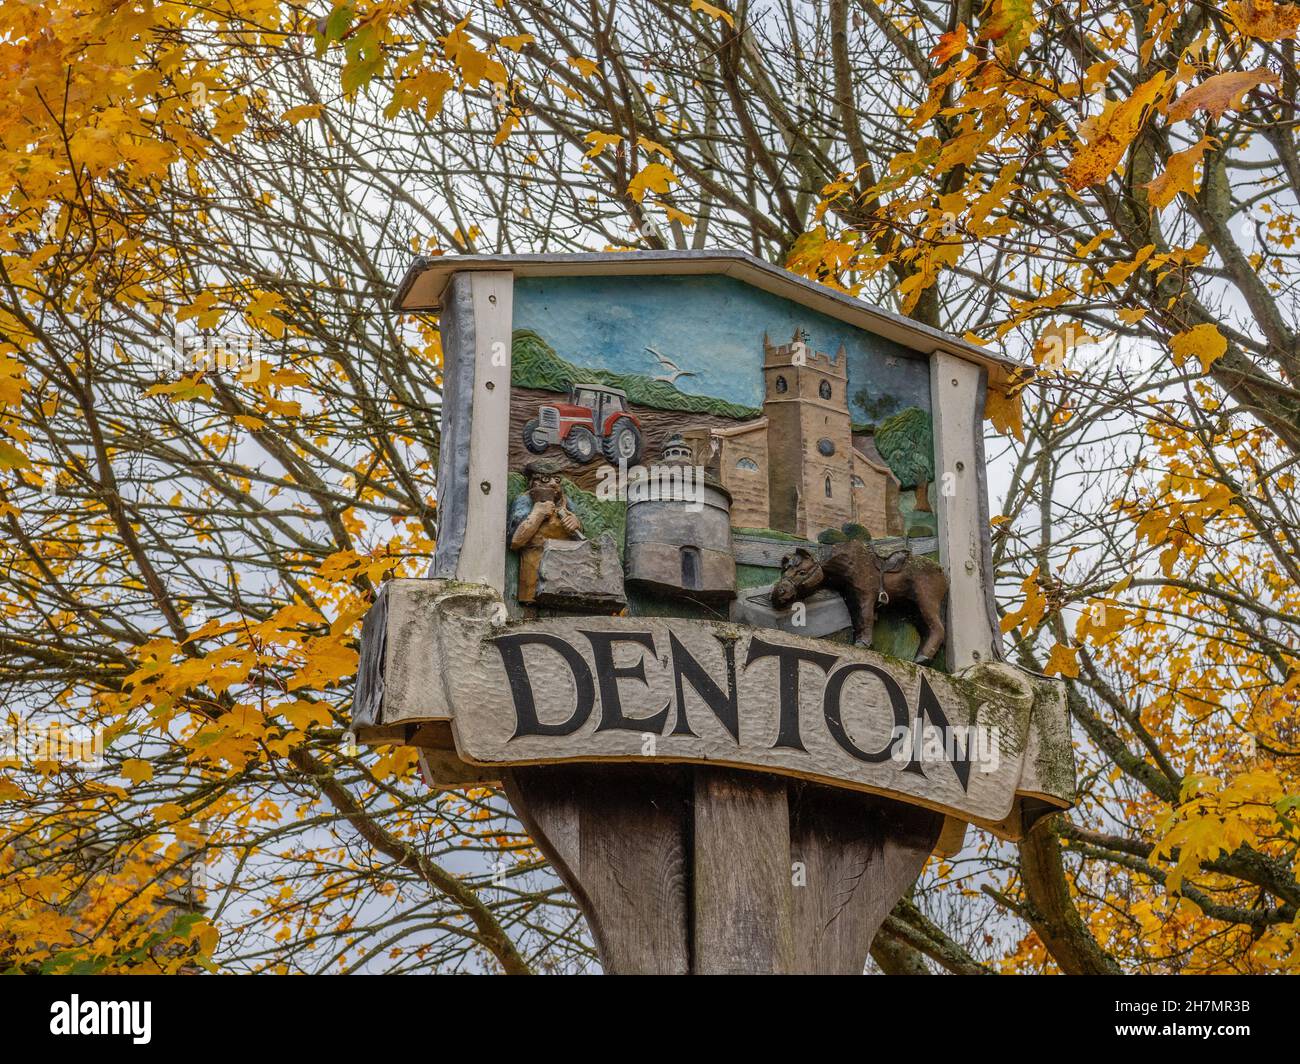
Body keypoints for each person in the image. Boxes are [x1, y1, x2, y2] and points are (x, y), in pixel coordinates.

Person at [508, 459, 584, 604]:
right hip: (535, 567)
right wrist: (538, 514)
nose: (554, 484)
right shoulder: (525, 501)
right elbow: (515, 541)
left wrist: (576, 524)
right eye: (545, 479)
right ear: (533, 482)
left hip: (564, 569)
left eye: (557, 480)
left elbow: (581, 538)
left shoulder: (566, 503)